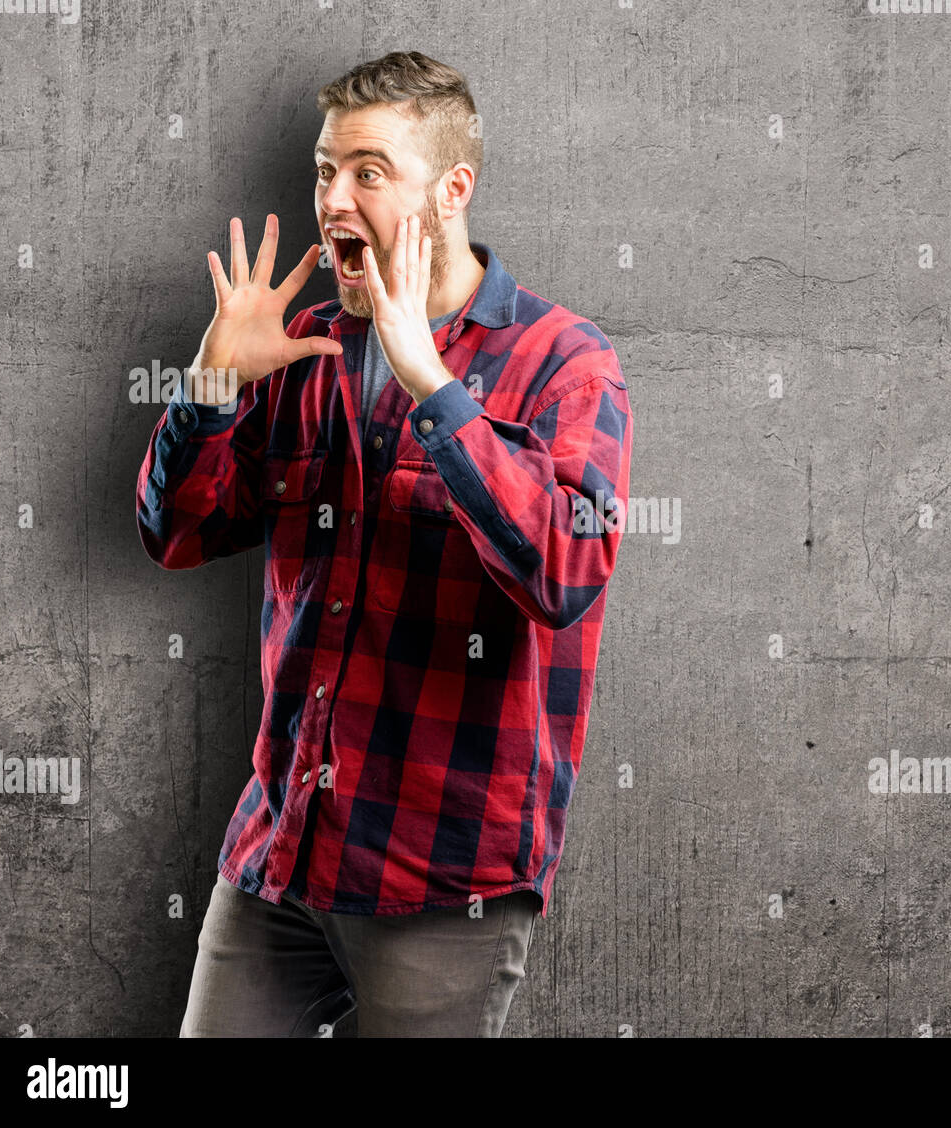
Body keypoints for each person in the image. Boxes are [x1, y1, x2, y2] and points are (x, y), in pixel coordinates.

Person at [135, 50, 633, 1037]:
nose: (334, 197)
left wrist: (431, 387)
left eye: (368, 170)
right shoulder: (305, 349)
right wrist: (211, 390)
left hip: (442, 883)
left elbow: (565, 570)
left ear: (452, 190)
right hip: (281, 851)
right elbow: (178, 534)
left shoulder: (567, 366)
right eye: (326, 169)